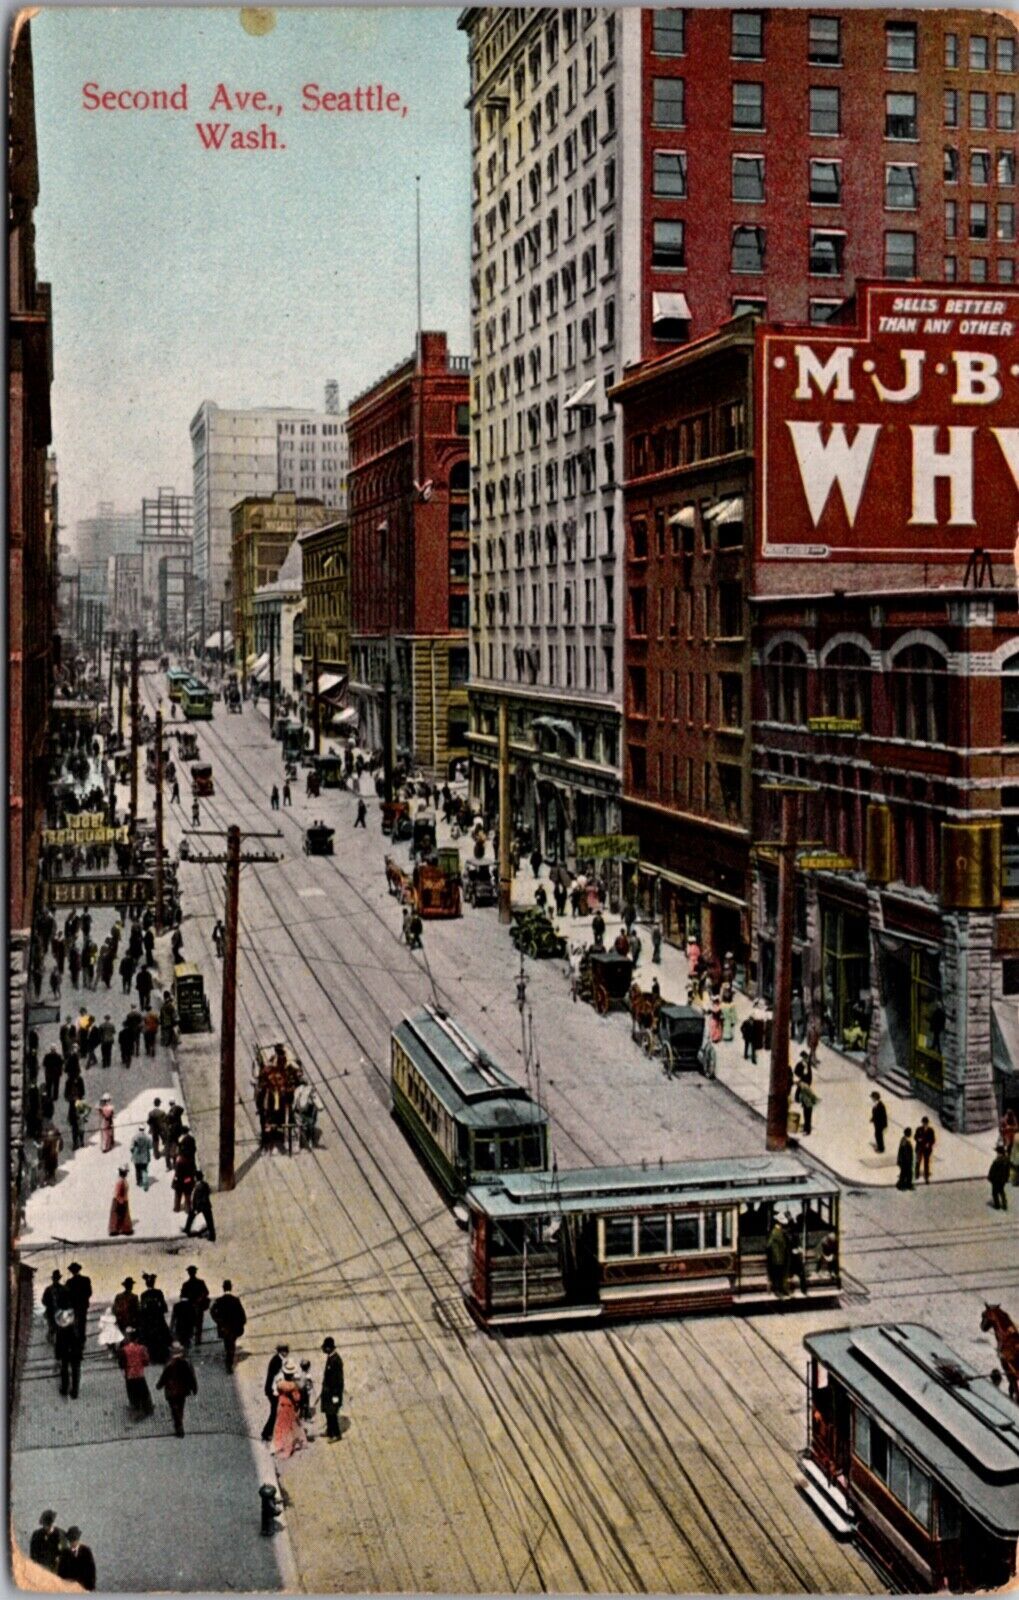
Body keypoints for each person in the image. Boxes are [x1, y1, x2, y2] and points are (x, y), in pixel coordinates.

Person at [156, 1343, 198, 1438]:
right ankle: (179, 1424)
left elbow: (164, 1377)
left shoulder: (169, 1364)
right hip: (182, 1390)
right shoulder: (186, 1363)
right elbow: (191, 1377)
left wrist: (159, 1385)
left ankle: (178, 1425)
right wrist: (194, 1388)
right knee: (180, 1407)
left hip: (171, 1390)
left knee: (174, 1408)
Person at [272, 1361, 307, 1459]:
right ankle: (288, 1448)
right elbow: (297, 1398)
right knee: (289, 1427)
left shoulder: (280, 1384)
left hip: (281, 1405)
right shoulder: (293, 1385)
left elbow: (277, 1392)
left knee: (280, 1425)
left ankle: (278, 1446)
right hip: (289, 1407)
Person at [211, 1280, 246, 1371]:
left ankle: (228, 1362)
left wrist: (218, 1321)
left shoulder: (219, 1300)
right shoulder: (235, 1300)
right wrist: (241, 1323)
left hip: (224, 1328)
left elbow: (212, 1311)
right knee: (231, 1345)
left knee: (227, 1344)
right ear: (231, 1287)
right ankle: (229, 1362)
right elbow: (241, 1314)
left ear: (223, 1288)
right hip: (234, 1328)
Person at [118, 1328, 153, 1415]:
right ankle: (147, 1408)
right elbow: (146, 1361)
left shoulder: (123, 1350)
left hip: (129, 1374)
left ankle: (135, 1407)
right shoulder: (142, 1348)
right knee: (143, 1391)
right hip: (139, 1374)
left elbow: (121, 1364)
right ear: (136, 1339)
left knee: (132, 1392)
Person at [61, 1261, 93, 1350]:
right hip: (83, 1306)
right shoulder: (86, 1279)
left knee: (74, 1324)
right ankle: (81, 1342)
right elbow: (89, 1293)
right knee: (82, 1324)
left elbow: (66, 1295)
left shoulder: (69, 1282)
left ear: (72, 1271)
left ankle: (76, 1342)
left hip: (73, 1307)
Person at [261, 1344, 290, 1442]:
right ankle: (266, 1433)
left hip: (272, 1390)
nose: (287, 1353)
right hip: (272, 1391)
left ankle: (268, 1432)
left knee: (275, 1412)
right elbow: (276, 1378)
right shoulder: (277, 1361)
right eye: (285, 1351)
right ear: (281, 1351)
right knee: (274, 1412)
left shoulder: (277, 1359)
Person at [320, 1336, 345, 1440]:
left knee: (332, 1414)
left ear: (329, 1348)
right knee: (328, 1413)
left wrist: (335, 1396)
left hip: (333, 1393)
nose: (324, 1349)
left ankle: (337, 1434)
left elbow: (338, 1380)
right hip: (327, 1392)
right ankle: (329, 1431)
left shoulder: (336, 1360)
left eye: (325, 1347)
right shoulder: (331, 1357)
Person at [57, 1527, 95, 1592]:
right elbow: (61, 1572)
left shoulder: (86, 1551)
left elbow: (91, 1571)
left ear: (78, 1539)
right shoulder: (65, 1553)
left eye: (75, 1539)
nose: (73, 1542)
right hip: (68, 1588)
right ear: (68, 1540)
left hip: (84, 1587)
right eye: (71, 1540)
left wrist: (90, 1588)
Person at [54, 1309, 82, 1399]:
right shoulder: (76, 1327)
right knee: (75, 1371)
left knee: (64, 1369)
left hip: (65, 1351)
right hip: (75, 1352)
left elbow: (57, 1344)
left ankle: (65, 1389)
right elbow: (80, 1341)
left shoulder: (60, 1330)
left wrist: (57, 1356)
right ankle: (75, 1391)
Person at [179, 1265, 210, 1346]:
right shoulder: (200, 1282)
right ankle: (197, 1339)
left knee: (192, 1323)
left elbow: (182, 1295)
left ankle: (195, 1339)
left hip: (191, 1306)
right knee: (198, 1323)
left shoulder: (186, 1284)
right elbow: (206, 1292)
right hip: (197, 1306)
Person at [184, 1169, 216, 1240]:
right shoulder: (204, 1184)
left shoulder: (199, 1186)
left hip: (201, 1206)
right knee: (209, 1221)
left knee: (207, 1220)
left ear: (196, 1177)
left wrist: (196, 1208)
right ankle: (212, 1235)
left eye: (195, 1177)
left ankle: (211, 1236)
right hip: (205, 1206)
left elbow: (199, 1199)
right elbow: (208, 1191)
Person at [766, 1218, 789, 1296]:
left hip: (780, 1257)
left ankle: (781, 1289)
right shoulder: (775, 1232)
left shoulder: (779, 1232)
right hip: (777, 1257)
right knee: (778, 1275)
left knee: (780, 1275)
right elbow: (769, 1245)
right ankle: (778, 1290)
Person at [108, 1167, 134, 1235]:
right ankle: (121, 1229)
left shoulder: (121, 1181)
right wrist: (121, 1200)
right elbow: (118, 1193)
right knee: (120, 1215)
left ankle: (118, 1229)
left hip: (120, 1199)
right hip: (120, 1200)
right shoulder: (121, 1182)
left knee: (119, 1215)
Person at [42, 1269, 63, 1342]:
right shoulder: (49, 1289)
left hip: (58, 1311)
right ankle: (50, 1337)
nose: (56, 1280)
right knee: (52, 1327)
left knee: (58, 1327)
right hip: (51, 1312)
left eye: (57, 1279)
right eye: (55, 1279)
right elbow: (44, 1301)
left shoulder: (62, 1289)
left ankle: (53, 1339)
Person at [130, 1125, 153, 1190]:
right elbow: (151, 1146)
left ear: (139, 1129)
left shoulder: (134, 1137)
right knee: (144, 1170)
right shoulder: (148, 1137)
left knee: (137, 1170)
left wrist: (133, 1152)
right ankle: (145, 1183)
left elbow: (131, 1147)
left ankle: (139, 1182)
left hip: (136, 1157)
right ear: (144, 1129)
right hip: (145, 1157)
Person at [915, 1117, 936, 1184]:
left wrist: (929, 1144)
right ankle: (916, 1174)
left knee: (926, 1163)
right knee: (918, 1161)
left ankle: (926, 1176)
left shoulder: (930, 1130)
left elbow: (933, 1140)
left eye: (926, 1123)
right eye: (923, 1123)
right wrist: (918, 1139)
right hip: (920, 1148)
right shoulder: (919, 1129)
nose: (924, 1124)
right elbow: (915, 1136)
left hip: (927, 1149)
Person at [989, 1144, 1010, 1210]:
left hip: (996, 1180)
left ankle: (997, 1205)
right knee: (1001, 1191)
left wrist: (990, 1178)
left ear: (999, 1153)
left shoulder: (997, 1161)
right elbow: (1007, 1171)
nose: (997, 1154)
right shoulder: (1006, 1160)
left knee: (994, 1192)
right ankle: (1004, 1204)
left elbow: (993, 1171)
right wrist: (1006, 1179)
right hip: (1002, 1180)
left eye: (997, 1152)